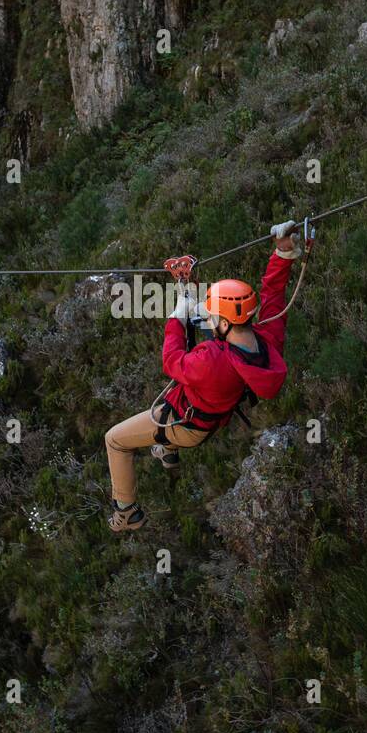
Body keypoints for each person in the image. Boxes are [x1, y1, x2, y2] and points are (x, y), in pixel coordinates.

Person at [104, 221, 303, 532]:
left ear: (224, 323)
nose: (207, 319)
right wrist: (283, 251)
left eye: (212, 317)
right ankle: (167, 451)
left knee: (115, 440)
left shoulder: (211, 361)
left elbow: (172, 362)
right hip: (207, 417)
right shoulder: (266, 339)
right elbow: (274, 293)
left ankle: (126, 512)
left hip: (184, 422)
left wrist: (177, 316)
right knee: (172, 403)